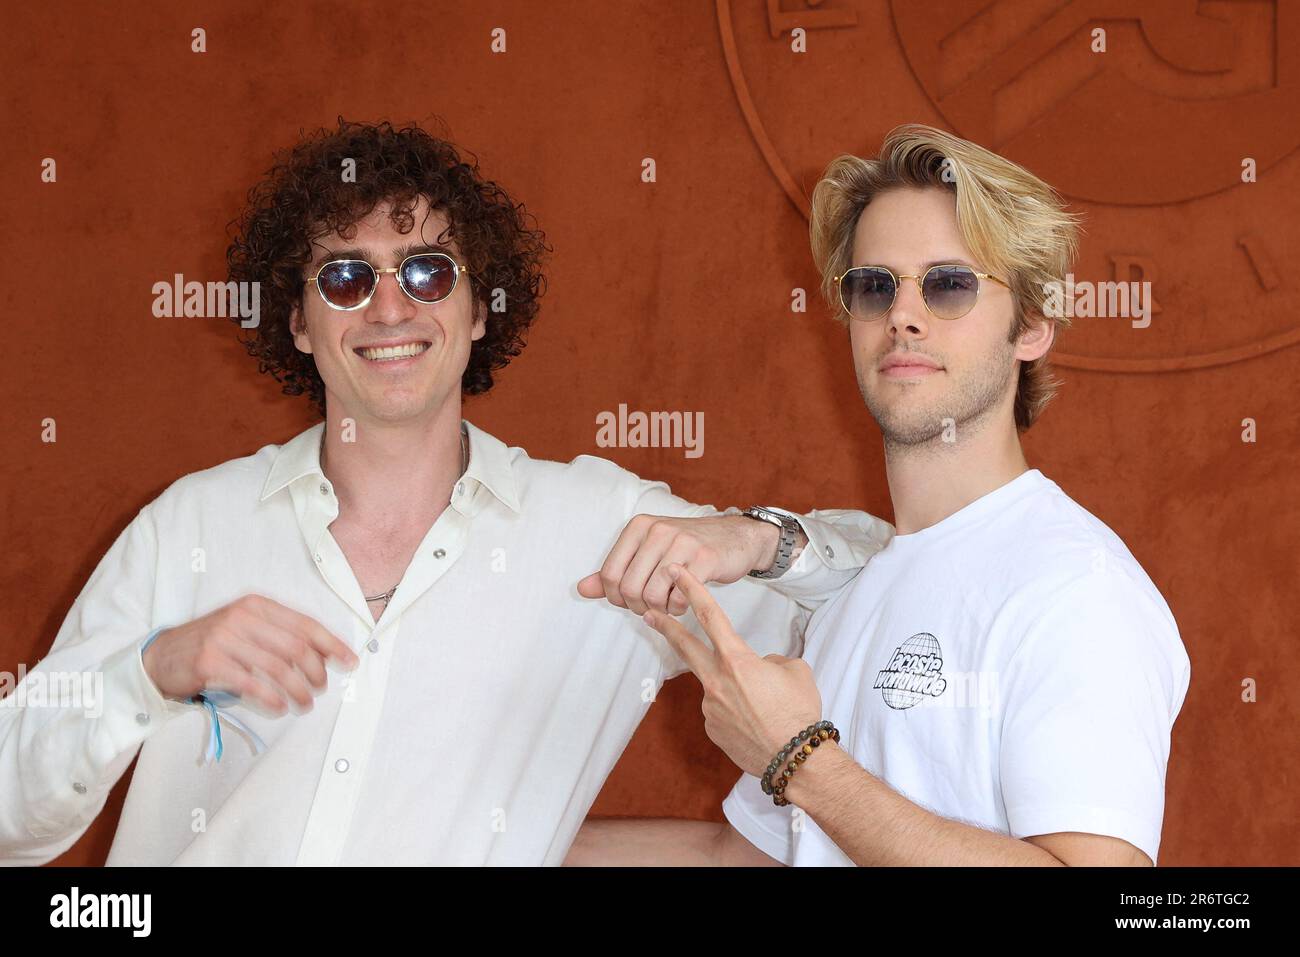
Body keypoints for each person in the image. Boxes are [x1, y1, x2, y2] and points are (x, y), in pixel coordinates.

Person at [0, 119, 892, 866]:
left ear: (476, 309)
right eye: (345, 276)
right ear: (301, 323)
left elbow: (891, 590)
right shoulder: (186, 527)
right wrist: (151, 671)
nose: (390, 308)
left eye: (427, 270)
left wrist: (759, 539)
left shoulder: (603, 530)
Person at [565, 124, 1192, 867]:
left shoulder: (1077, 589)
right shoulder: (860, 592)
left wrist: (799, 758)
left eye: (949, 283)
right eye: (875, 285)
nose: (903, 312)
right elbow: (738, 860)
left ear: (1030, 327)